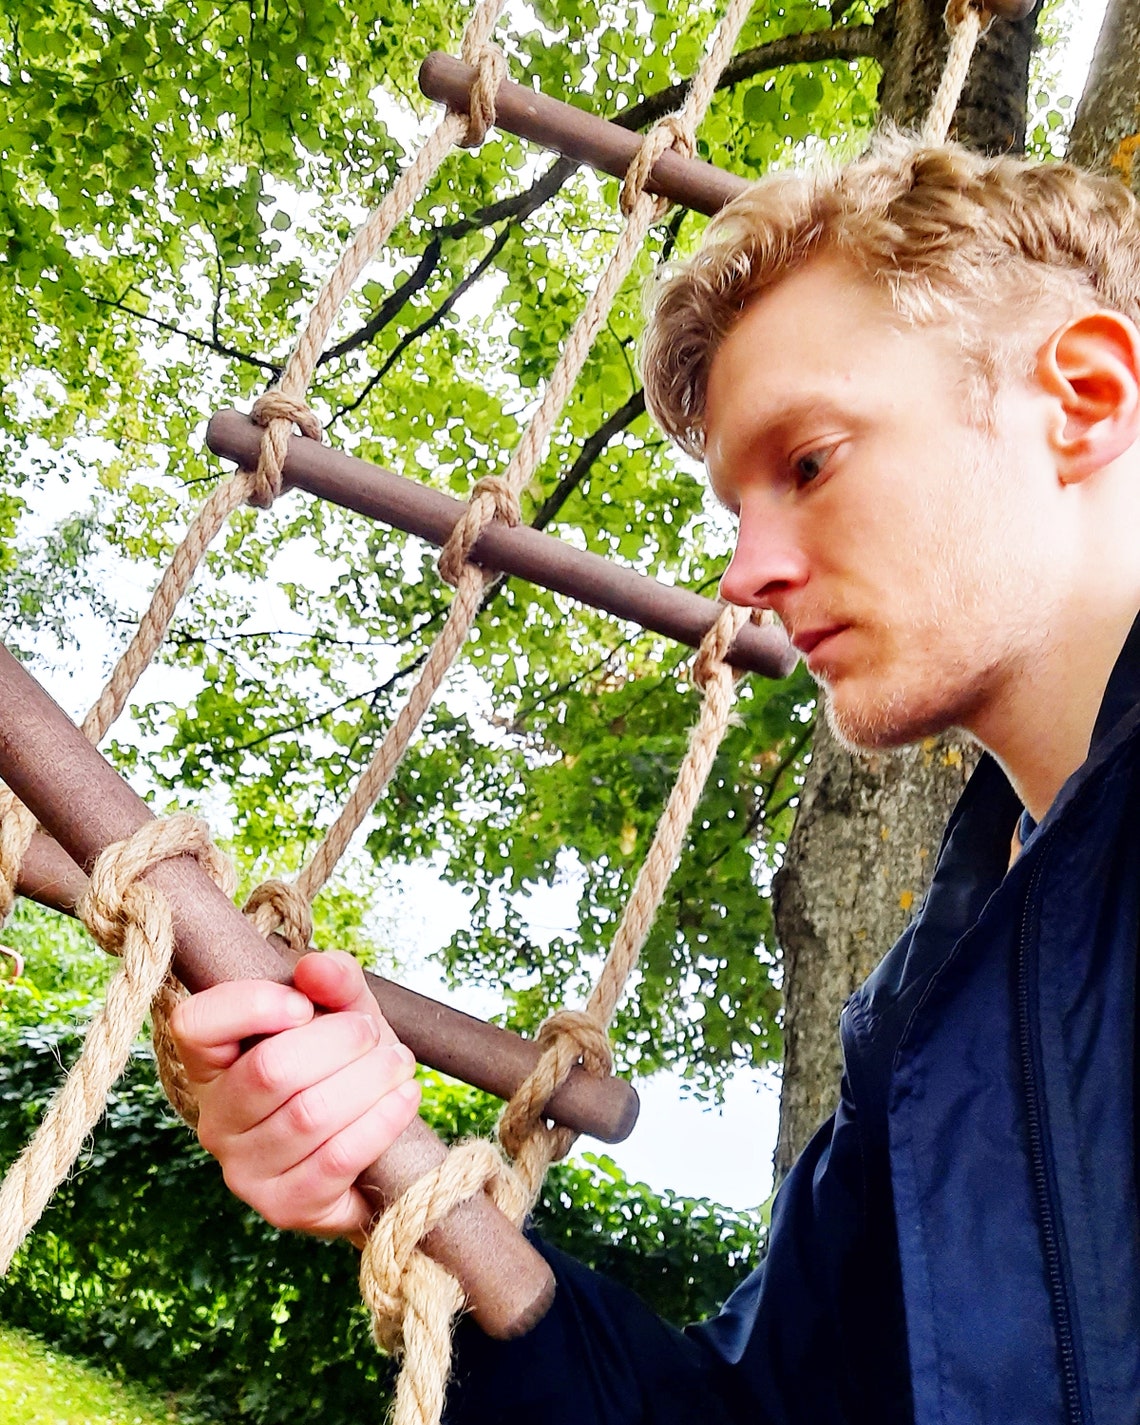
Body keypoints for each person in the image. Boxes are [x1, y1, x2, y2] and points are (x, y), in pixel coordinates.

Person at [170, 132, 1140, 1424]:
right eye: (736, 512)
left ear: (1083, 398)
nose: (743, 577)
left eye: (809, 462)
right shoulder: (924, 1017)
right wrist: (390, 1180)